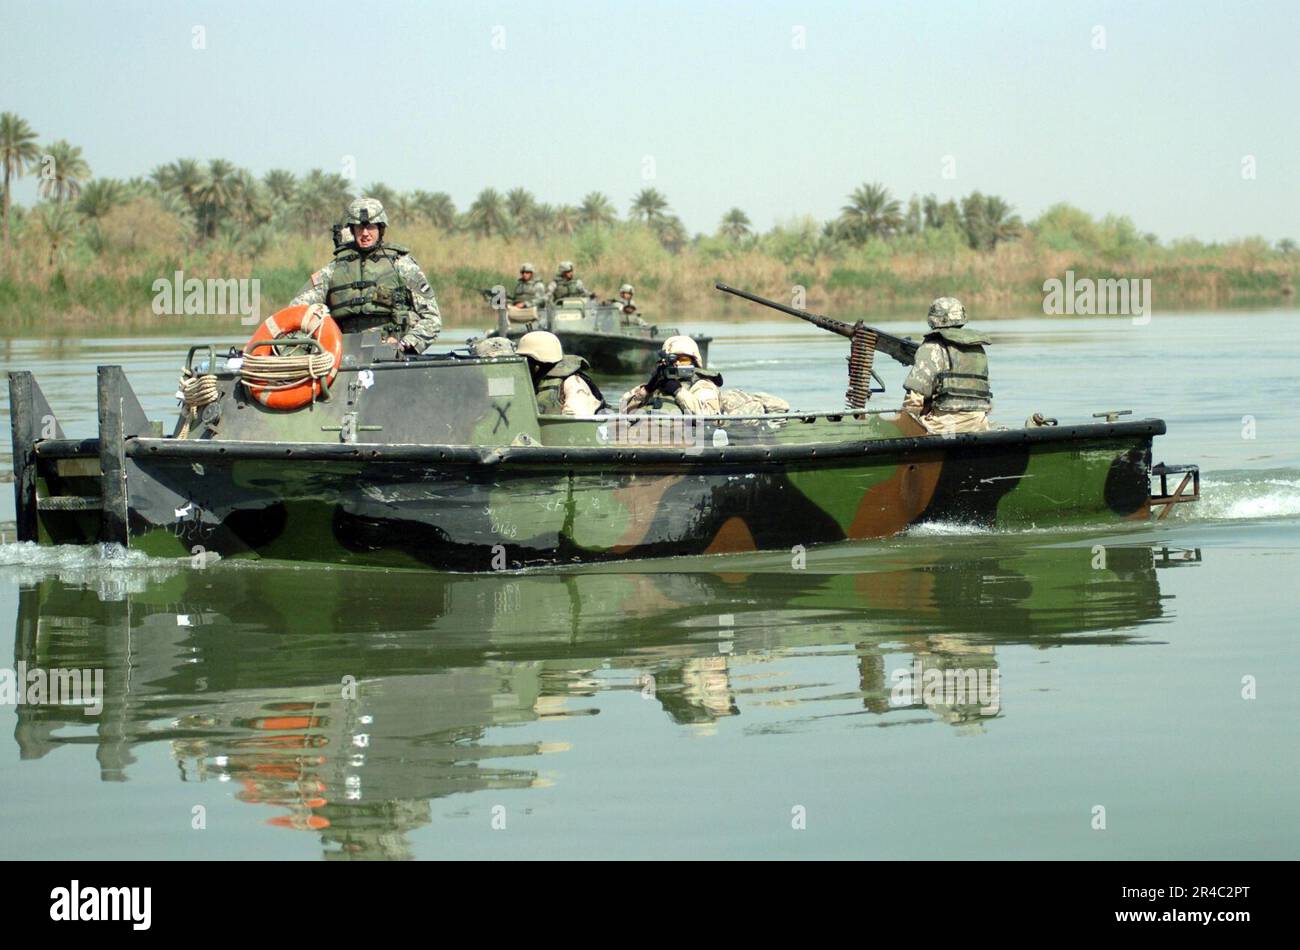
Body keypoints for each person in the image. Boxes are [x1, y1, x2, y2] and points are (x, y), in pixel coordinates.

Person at [289, 197, 441, 353]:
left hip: (390, 352)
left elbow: (432, 318)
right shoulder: (333, 270)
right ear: (352, 230)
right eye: (359, 228)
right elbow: (295, 311)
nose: (365, 233)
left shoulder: (402, 265)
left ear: (381, 229)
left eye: (370, 227)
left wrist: (405, 344)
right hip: (342, 351)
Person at [901, 296, 992, 434]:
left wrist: (902, 426)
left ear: (933, 319)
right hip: (979, 424)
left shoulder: (931, 347)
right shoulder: (978, 349)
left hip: (943, 427)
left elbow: (914, 400)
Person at [620, 336, 722, 415]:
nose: (677, 363)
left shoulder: (702, 385)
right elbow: (622, 411)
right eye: (672, 360)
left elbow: (709, 417)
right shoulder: (658, 383)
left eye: (683, 360)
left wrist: (678, 391)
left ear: (695, 362)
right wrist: (648, 389)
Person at [517, 330, 606, 415]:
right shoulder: (531, 383)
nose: (521, 366)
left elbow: (580, 422)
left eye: (527, 360)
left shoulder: (573, 384)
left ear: (538, 363)